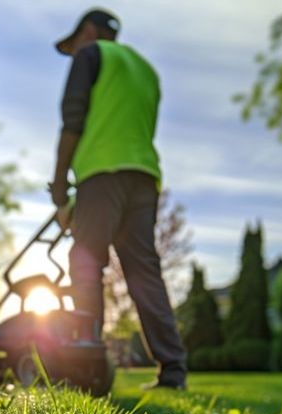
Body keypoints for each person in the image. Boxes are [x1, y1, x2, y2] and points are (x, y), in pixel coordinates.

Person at [50, 8, 187, 389]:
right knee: (145, 272)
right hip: (144, 176)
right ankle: (173, 371)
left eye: (75, 41)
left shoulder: (90, 55)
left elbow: (73, 117)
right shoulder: (146, 70)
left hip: (101, 173)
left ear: (89, 32)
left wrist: (60, 187)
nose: (74, 49)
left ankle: (84, 361)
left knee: (86, 259)